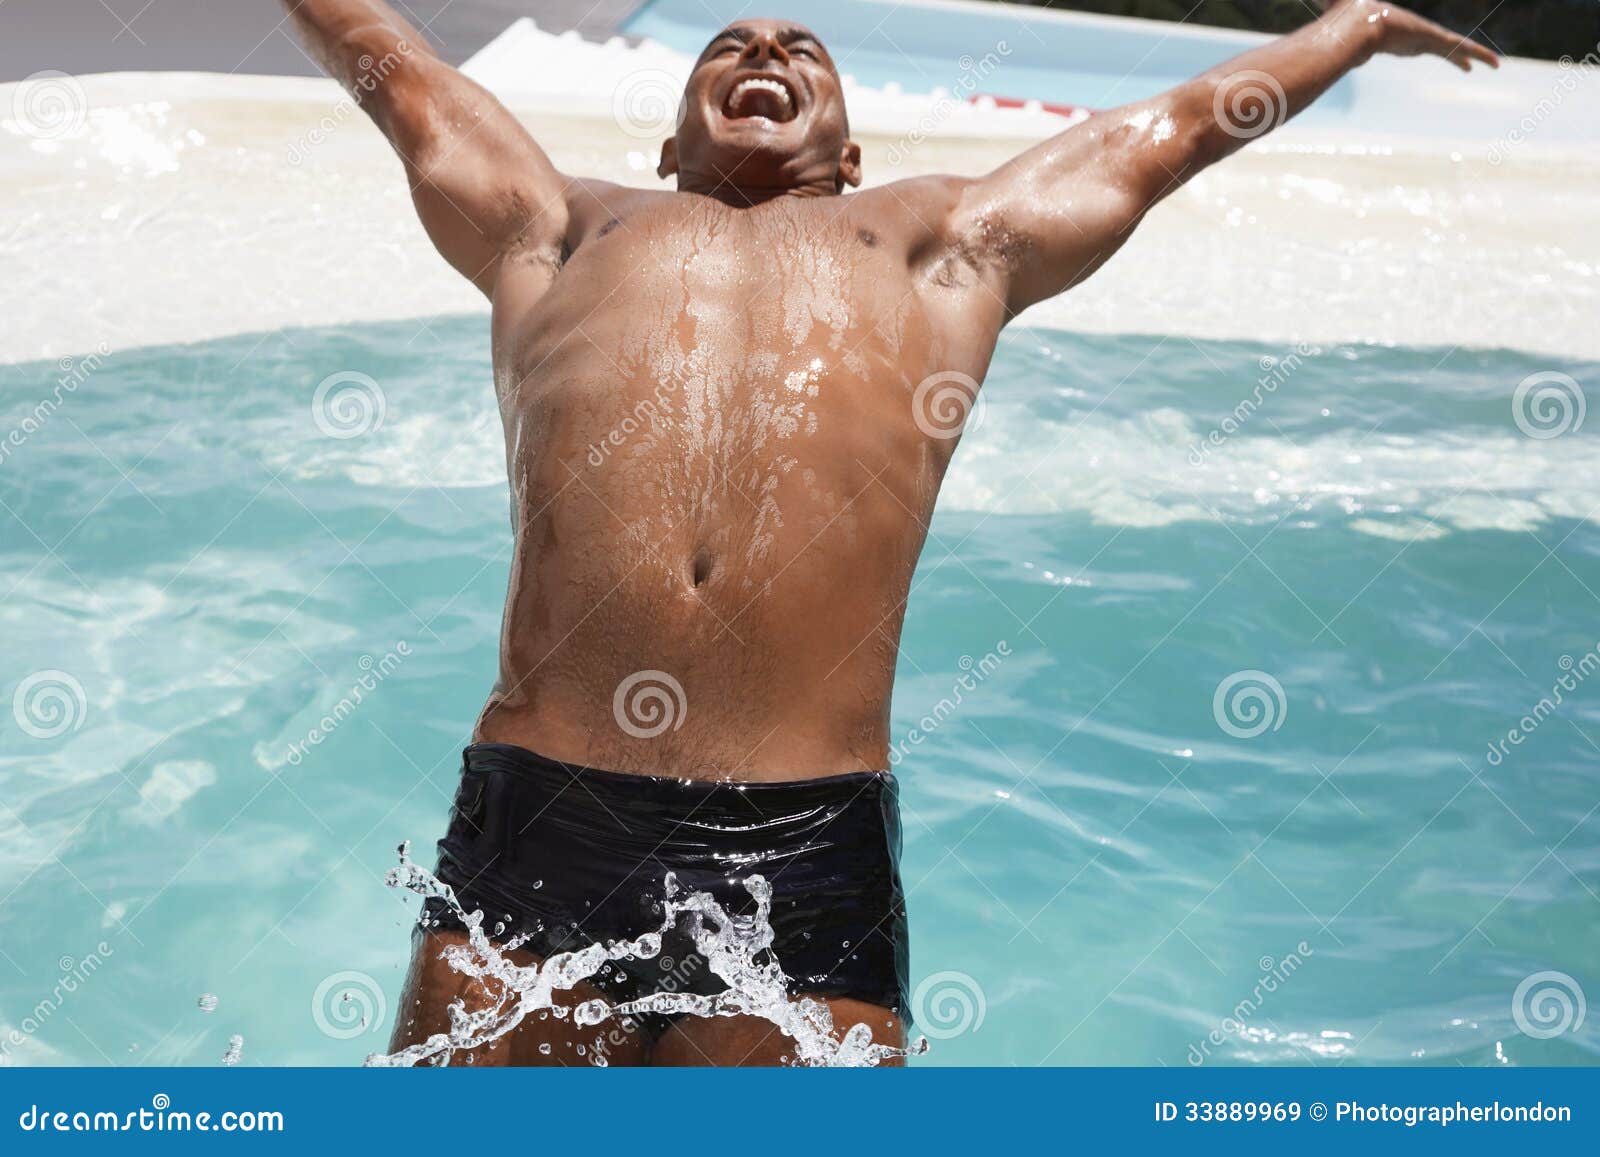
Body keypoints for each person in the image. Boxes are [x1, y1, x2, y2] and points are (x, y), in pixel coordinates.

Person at [282, 0, 1496, 1066]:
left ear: (849, 148)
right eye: (730, 44)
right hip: (547, 806)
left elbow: (1172, 129)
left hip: (804, 834)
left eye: (798, 45)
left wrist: (1358, 26)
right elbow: (391, 66)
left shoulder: (944, 243)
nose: (764, 50)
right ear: (667, 141)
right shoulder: (556, 227)